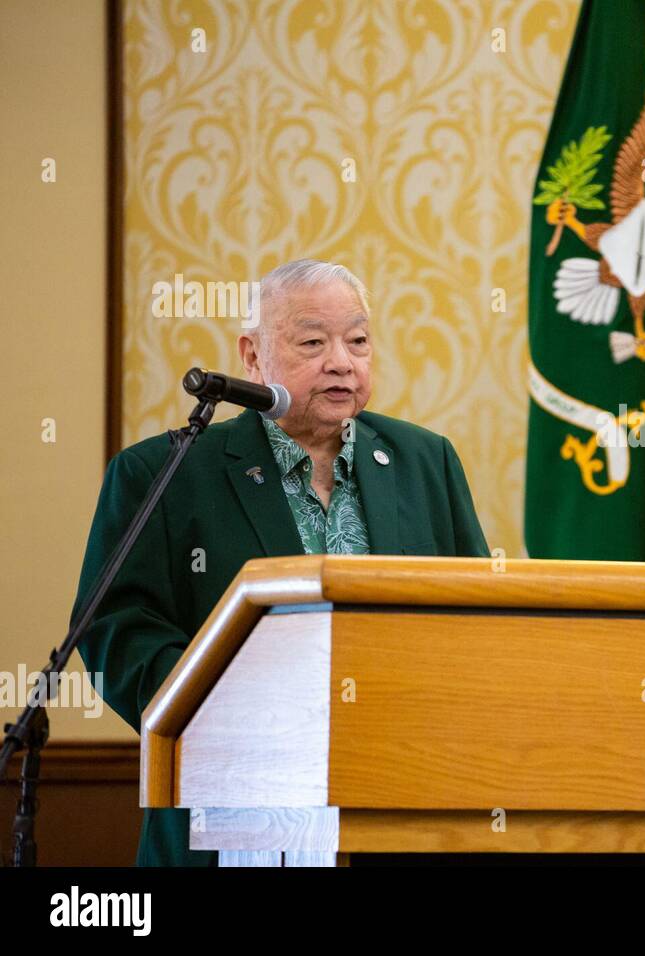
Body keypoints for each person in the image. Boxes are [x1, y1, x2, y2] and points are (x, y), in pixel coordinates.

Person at [72, 259, 489, 865]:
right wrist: (229, 717)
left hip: (401, 801)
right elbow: (114, 630)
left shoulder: (426, 460)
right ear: (252, 356)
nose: (341, 361)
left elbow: (475, 620)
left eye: (359, 340)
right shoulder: (164, 473)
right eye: (313, 341)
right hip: (232, 805)